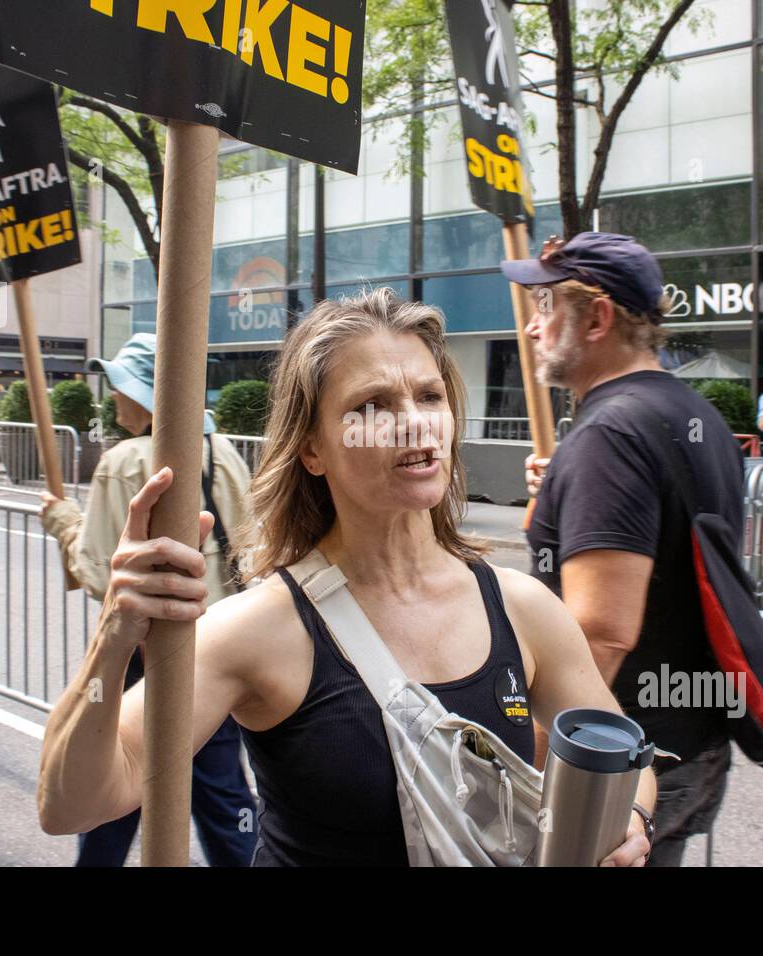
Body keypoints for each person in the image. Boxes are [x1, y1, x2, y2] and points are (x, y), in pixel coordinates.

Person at [37, 288, 656, 867]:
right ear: (312, 449)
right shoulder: (258, 628)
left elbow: (626, 756)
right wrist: (114, 636)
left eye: (429, 396)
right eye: (371, 405)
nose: (415, 422)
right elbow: (70, 805)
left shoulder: (522, 607)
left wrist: (630, 817)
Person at [505, 232, 743, 867]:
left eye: (547, 305)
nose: (532, 328)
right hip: (687, 743)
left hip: (615, 767)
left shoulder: (610, 434)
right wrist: (563, 491)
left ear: (598, 317)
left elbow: (601, 634)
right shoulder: (694, 414)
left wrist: (532, 754)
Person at [39, 332, 257, 867]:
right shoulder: (223, 451)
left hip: (144, 658)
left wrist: (62, 520)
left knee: (112, 796)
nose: (112, 397)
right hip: (217, 650)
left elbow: (98, 573)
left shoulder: (124, 461)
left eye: (119, 385)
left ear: (144, 393)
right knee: (225, 801)